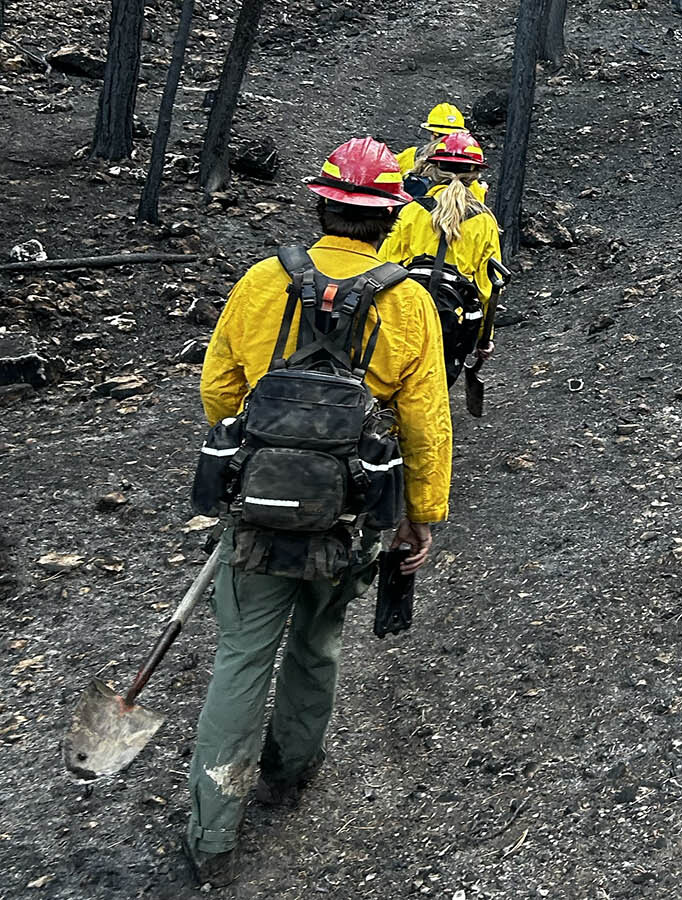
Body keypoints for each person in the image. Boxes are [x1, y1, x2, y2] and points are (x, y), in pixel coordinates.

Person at [186, 137, 452, 887]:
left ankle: (211, 836)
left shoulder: (262, 282)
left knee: (241, 657)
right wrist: (419, 513)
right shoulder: (407, 302)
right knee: (319, 639)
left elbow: (217, 389)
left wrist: (267, 454)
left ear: (321, 203)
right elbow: (427, 419)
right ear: (389, 215)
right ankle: (291, 771)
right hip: (351, 514)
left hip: (260, 510)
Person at [381, 129, 502, 385]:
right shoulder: (484, 221)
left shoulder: (411, 211)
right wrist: (484, 338)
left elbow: (383, 265)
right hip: (454, 325)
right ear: (475, 174)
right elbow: (488, 287)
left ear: (434, 168)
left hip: (406, 311)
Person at [395, 102, 488, 203]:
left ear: (433, 135)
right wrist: (482, 191)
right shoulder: (467, 168)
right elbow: (477, 203)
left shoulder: (412, 154)